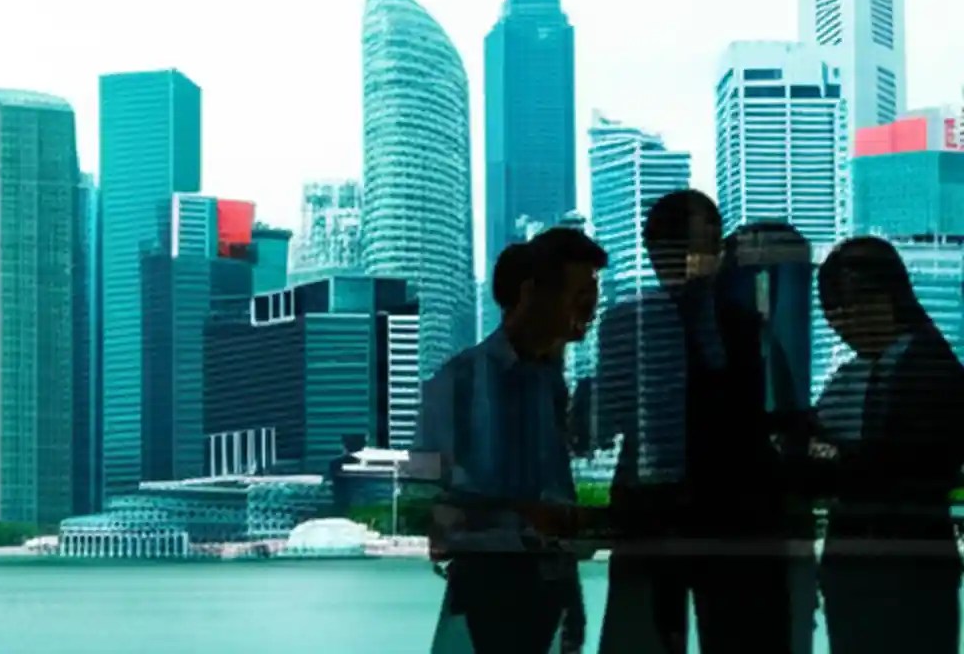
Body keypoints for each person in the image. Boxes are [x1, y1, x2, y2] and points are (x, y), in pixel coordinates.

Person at [596, 190, 794, 653]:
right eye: (686, 245)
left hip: (710, 519)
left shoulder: (633, 322)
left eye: (702, 246)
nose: (695, 259)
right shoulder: (747, 328)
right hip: (702, 519)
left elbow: (605, 422)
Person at [408, 226, 607, 653]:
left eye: (592, 293)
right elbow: (420, 501)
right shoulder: (456, 381)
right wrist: (524, 516)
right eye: (580, 293)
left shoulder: (551, 384)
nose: (591, 307)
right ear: (532, 293)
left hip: (554, 582)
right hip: (491, 583)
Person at [809, 236, 964, 653]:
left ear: (888, 296)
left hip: (900, 574)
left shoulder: (929, 370)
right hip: (877, 574)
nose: (840, 322)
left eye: (849, 304)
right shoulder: (868, 372)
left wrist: (826, 458)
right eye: (832, 311)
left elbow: (905, 469)